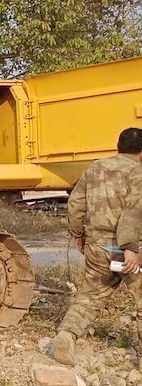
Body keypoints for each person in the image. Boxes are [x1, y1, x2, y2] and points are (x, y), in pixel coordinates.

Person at [53, 128, 142, 366]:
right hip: (129, 250)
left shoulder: (94, 168)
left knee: (89, 297)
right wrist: (131, 248)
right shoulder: (138, 173)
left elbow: (75, 203)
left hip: (96, 245)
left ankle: (66, 336)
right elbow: (133, 212)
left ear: (118, 146)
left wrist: (78, 234)